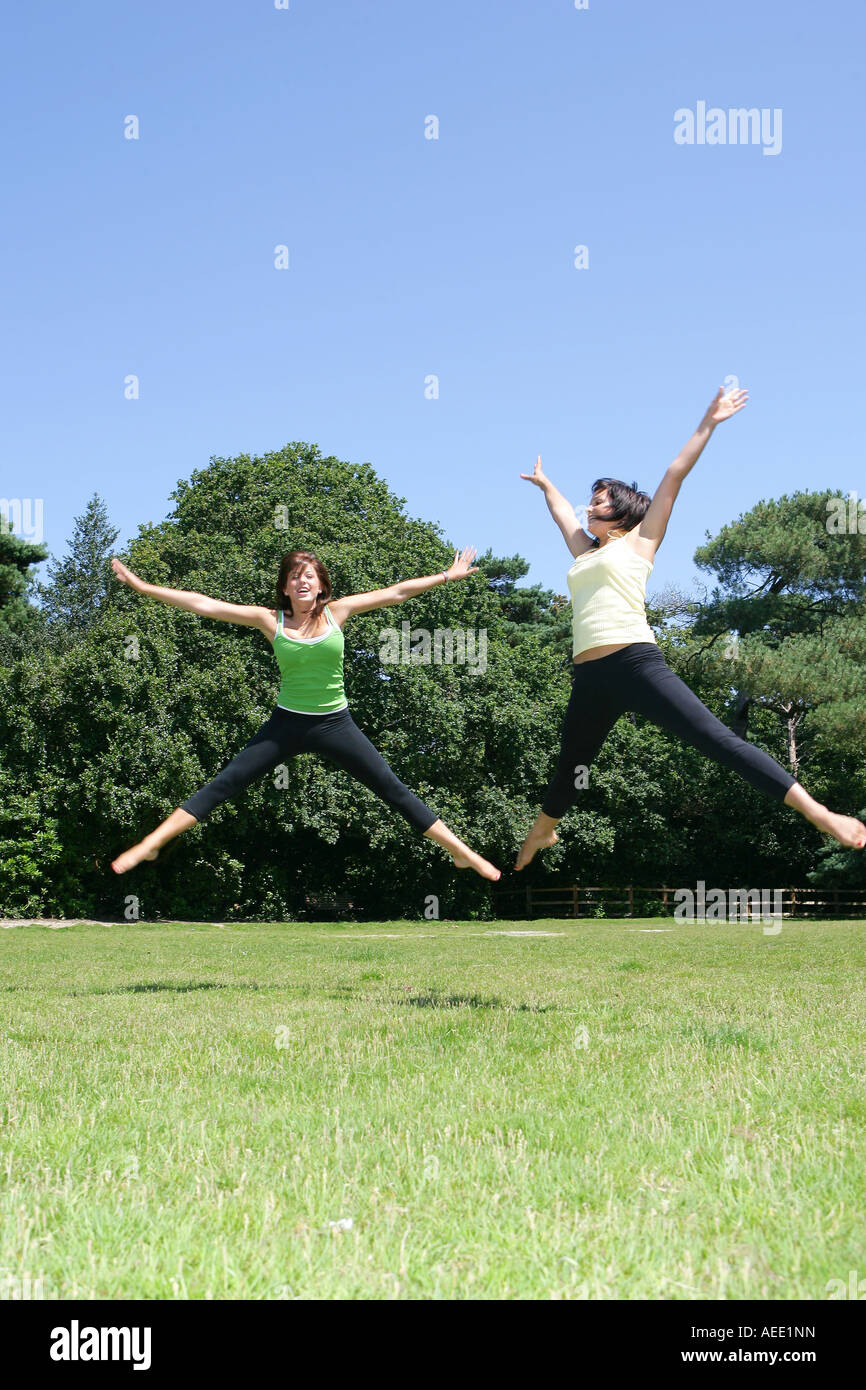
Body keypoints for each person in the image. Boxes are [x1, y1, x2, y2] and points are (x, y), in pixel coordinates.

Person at [515, 386, 866, 869]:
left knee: (717, 740)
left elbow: (673, 476)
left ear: (620, 512)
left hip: (636, 663)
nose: (587, 508)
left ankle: (820, 813)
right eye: (588, 501)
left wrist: (709, 422)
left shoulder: (639, 542)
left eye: (597, 501)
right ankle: (544, 830)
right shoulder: (587, 553)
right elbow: (561, 517)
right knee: (574, 759)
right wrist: (546, 484)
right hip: (589, 676)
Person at [110, 547, 501, 881]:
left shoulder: (338, 612)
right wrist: (143, 587)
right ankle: (150, 844)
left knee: (391, 787)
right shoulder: (270, 620)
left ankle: (461, 851)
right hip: (286, 724)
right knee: (224, 784)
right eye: (294, 577)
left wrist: (447, 576)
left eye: (309, 576)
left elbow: (396, 593)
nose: (302, 582)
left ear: (320, 585)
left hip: (335, 723)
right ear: (285, 587)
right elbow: (205, 604)